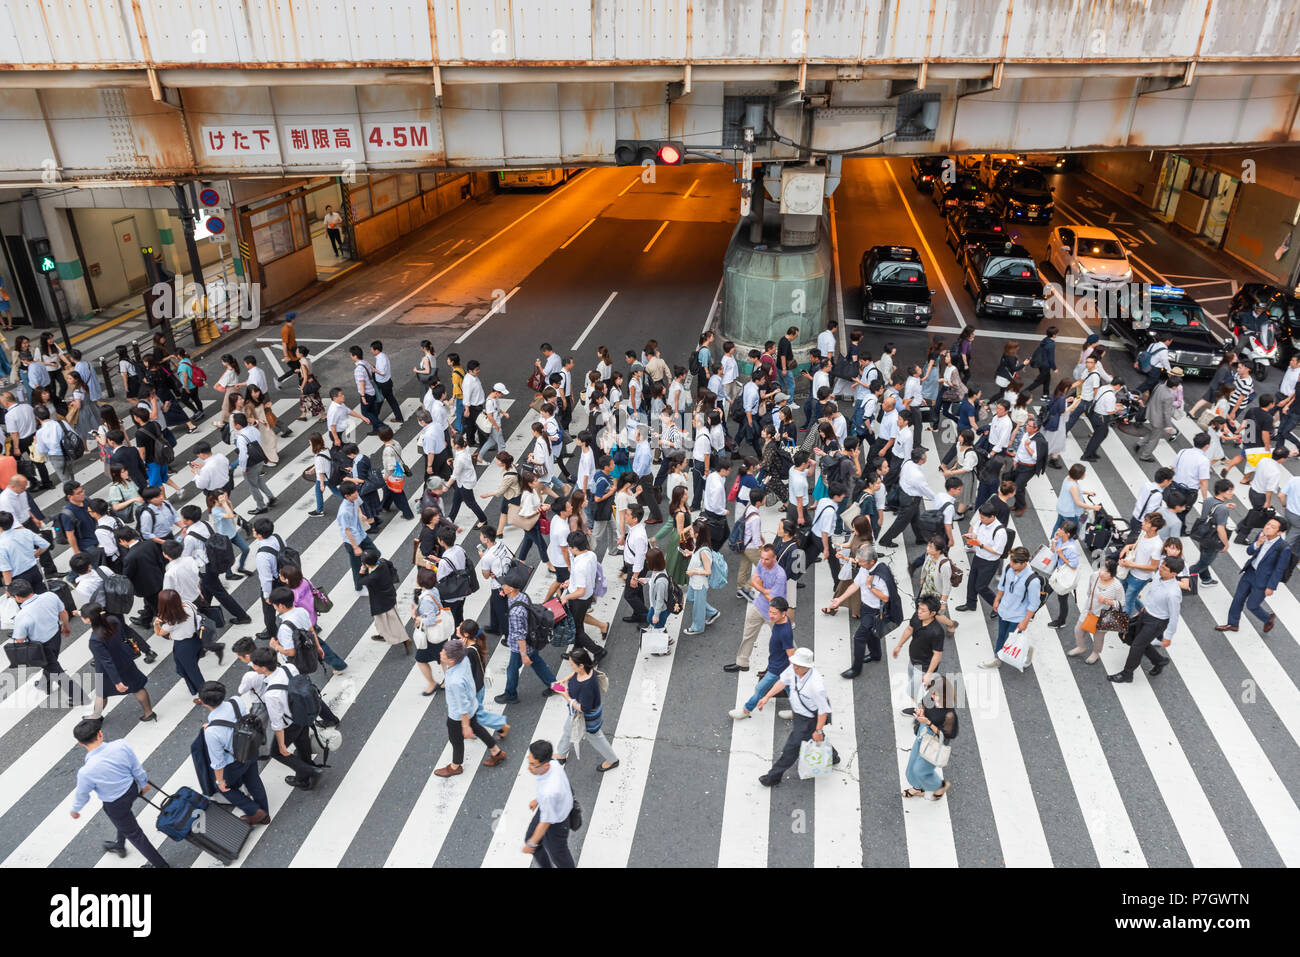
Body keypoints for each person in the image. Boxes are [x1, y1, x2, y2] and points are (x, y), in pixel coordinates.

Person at [69, 721, 169, 867]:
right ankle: (120, 845)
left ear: (79, 743)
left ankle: (161, 866)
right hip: (132, 789)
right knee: (123, 821)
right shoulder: (121, 745)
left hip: (114, 803)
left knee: (134, 834)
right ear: (100, 733)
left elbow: (83, 795)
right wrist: (143, 783)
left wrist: (75, 810)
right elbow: (136, 767)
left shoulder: (86, 772)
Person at [755, 646, 838, 787]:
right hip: (800, 715)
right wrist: (767, 697)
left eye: (798, 666)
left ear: (807, 667)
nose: (794, 668)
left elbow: (823, 710)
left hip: (809, 719)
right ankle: (833, 756)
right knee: (814, 737)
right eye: (794, 664)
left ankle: (774, 776)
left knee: (791, 748)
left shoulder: (816, 685)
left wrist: (817, 730)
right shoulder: (793, 669)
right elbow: (782, 682)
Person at [249, 647, 324, 791]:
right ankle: (304, 778)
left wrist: (282, 745)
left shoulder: (271, 694)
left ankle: (311, 771)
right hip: (303, 713)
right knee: (302, 743)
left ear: (263, 668)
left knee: (277, 753)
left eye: (255, 665)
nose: (253, 667)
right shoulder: (289, 667)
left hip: (290, 723)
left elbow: (277, 724)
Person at [198, 681, 271, 826]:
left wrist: (220, 781)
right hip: (250, 748)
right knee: (253, 779)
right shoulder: (235, 701)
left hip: (234, 762)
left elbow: (218, 762)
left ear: (204, 703)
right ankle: (264, 813)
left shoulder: (212, 732)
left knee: (226, 788)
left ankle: (256, 812)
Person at [435, 639, 507, 777]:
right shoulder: (463, 660)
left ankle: (455, 766)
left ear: (451, 659)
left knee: (456, 740)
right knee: (478, 728)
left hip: (458, 715)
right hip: (472, 704)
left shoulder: (456, 681)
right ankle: (496, 751)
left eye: (444, 652)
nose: (441, 653)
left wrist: (465, 725)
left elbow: (461, 706)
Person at [827, 546, 901, 678]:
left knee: (859, 637)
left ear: (871, 561)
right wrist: (839, 599)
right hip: (865, 607)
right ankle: (875, 654)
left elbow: (886, 597)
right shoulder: (865, 568)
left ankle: (856, 669)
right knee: (872, 633)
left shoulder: (881, 575)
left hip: (874, 611)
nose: (858, 563)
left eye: (861, 562)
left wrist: (870, 586)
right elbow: (855, 585)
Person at [1109, 557, 1183, 683]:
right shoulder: (1158, 578)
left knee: (1137, 646)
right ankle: (1159, 661)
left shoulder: (1173, 593)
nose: (1160, 569)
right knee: (1131, 637)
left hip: (1156, 622)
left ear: (1173, 574)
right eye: (1162, 566)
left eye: (1164, 569)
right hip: (1145, 613)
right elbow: (1152, 595)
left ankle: (1127, 674)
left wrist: (1168, 636)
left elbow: (1174, 616)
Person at [1214, 516, 1291, 634]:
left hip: (1263, 581)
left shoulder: (1283, 548)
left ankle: (1267, 618)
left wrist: (1271, 587)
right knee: (1238, 599)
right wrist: (1258, 543)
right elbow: (1249, 551)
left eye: (1272, 527)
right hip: (1250, 573)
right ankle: (1233, 624)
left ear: (1279, 532)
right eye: (1268, 524)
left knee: (1252, 605)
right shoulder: (1261, 535)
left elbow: (1279, 570)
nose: (1268, 527)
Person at [494, 567, 559, 704]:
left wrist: (523, 655)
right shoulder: (522, 596)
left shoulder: (516, 612)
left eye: (504, 585)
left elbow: (520, 635)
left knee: (512, 669)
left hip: (520, 646)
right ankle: (555, 686)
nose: (502, 585)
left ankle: (511, 694)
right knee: (537, 662)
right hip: (531, 640)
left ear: (511, 589)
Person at [81, 603, 155, 722]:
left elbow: (107, 661)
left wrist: (117, 682)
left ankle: (96, 716)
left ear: (88, 620)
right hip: (125, 658)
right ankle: (149, 712)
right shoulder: (113, 620)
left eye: (82, 616)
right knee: (137, 687)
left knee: (101, 693)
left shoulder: (95, 640)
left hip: (107, 670)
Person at [729, 596, 795, 719]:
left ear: (783, 613)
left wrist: (791, 672)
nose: (770, 615)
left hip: (778, 668)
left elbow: (791, 653)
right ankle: (797, 713)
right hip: (777, 663)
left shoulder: (785, 632)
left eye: (774, 613)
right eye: (770, 611)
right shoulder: (783, 620)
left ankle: (746, 710)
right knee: (790, 690)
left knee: (760, 689)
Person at [555, 647, 620, 772]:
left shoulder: (586, 686)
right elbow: (575, 673)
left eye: (572, 665)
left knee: (596, 737)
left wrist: (565, 695)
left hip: (586, 718)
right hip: (575, 714)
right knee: (568, 729)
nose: (571, 667)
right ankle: (562, 754)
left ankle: (612, 760)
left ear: (581, 665)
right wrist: (566, 679)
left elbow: (584, 708)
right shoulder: (588, 669)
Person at [727, 543, 788, 673]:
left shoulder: (780, 575)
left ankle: (792, 666)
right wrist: (764, 590)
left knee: (783, 642)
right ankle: (742, 662)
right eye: (762, 558)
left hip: (774, 613)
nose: (763, 561)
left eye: (767, 559)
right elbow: (754, 580)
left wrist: (760, 588)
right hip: (759, 606)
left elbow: (773, 599)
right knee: (748, 634)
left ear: (774, 558)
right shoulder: (761, 563)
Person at [982, 546, 1041, 668]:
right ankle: (997, 658)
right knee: (1001, 635)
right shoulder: (1009, 568)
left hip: (1018, 616)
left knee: (1012, 640)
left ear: (1024, 563)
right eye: (1011, 560)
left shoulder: (1033, 581)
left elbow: (1034, 604)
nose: (1011, 564)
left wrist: (1025, 621)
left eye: (1015, 562)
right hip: (1004, 610)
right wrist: (997, 600)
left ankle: (1026, 652)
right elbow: (1002, 585)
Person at [10, 576, 70, 696]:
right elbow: (63, 612)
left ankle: (77, 696)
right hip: (56, 635)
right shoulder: (50, 596)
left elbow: (20, 640)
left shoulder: (21, 616)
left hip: (41, 646)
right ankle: (44, 684)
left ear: (17, 597)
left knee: (57, 671)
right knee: (52, 664)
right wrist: (66, 626)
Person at [902, 674, 958, 802]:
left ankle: (939, 786)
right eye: (931, 693)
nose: (931, 696)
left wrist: (928, 723)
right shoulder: (930, 697)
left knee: (920, 770)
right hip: (922, 734)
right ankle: (917, 788)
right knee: (911, 769)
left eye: (935, 694)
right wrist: (921, 711)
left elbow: (947, 736)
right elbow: (923, 704)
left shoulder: (949, 714)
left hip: (934, 741)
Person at [523, 739, 575, 868]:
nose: (529, 768)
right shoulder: (553, 763)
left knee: (560, 856)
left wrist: (531, 844)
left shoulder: (549, 793)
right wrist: (538, 799)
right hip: (552, 807)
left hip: (557, 823)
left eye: (533, 765)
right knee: (531, 838)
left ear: (545, 765)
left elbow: (546, 822)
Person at [892, 596, 945, 709]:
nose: (919, 612)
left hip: (924, 667)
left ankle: (920, 711)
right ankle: (923, 708)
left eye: (923, 610)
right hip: (913, 660)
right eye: (919, 608)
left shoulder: (937, 632)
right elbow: (909, 629)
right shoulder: (917, 617)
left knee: (912, 692)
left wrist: (928, 673)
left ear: (933, 613)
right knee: (915, 687)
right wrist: (899, 645)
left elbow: (937, 654)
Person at [1069, 557, 1126, 664]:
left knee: (1098, 637)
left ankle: (1095, 653)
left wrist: (1107, 601)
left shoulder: (1117, 586)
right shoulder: (1094, 576)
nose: (1101, 572)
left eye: (1105, 571)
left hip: (1104, 616)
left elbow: (1121, 604)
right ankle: (1081, 647)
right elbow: (1089, 592)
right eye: (1101, 568)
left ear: (1112, 573)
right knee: (1078, 629)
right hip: (1089, 610)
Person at [154, 587, 204, 696]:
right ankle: (195, 688)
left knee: (192, 672)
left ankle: (204, 695)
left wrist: (156, 623)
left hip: (183, 646)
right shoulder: (189, 605)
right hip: (195, 640)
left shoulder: (172, 621)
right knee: (185, 668)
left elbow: (159, 633)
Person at [358, 549, 410, 652]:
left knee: (390, 622)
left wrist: (362, 570)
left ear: (367, 564)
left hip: (382, 602)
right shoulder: (382, 562)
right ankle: (384, 635)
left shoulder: (373, 577)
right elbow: (390, 564)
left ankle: (405, 639)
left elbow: (360, 581)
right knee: (385, 621)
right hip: (389, 595)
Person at [117, 525, 165, 626]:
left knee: (157, 609)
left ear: (122, 540)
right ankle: (145, 619)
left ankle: (164, 627)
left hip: (146, 588)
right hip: (159, 579)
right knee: (152, 603)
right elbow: (160, 561)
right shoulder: (150, 544)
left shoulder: (129, 557)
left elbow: (126, 577)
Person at [1118, 513, 1165, 614]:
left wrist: (1132, 565)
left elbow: (1153, 567)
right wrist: (1128, 547)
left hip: (1139, 578)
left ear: (1154, 527)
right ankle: (1143, 611)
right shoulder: (1143, 533)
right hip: (1129, 570)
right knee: (1127, 595)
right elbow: (1138, 546)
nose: (1142, 523)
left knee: (1128, 601)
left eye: (1146, 522)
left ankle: (1125, 625)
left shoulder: (1157, 545)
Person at [682, 518, 720, 636]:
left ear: (698, 534)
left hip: (700, 583)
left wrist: (693, 571)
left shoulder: (704, 551)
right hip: (695, 581)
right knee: (691, 598)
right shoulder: (698, 545)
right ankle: (712, 612)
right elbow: (697, 556)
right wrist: (690, 553)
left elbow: (708, 571)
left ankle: (697, 627)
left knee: (698, 607)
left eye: (692, 531)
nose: (690, 532)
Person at [337, 486, 377, 590]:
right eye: (354, 492)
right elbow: (346, 531)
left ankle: (367, 573)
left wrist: (360, 514)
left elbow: (358, 505)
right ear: (347, 496)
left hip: (361, 535)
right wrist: (355, 547)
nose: (356, 493)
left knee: (376, 554)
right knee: (356, 566)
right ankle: (359, 586)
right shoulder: (343, 512)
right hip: (352, 541)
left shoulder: (354, 499)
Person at [1044, 520, 1083, 628]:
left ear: (1068, 534)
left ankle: (1061, 621)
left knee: (1061, 598)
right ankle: (1032, 612)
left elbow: (1074, 565)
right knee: (1046, 591)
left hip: (1063, 577)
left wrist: (1061, 555)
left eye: (1061, 529)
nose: (1058, 530)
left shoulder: (1071, 548)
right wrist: (1055, 540)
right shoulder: (1061, 540)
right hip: (1056, 572)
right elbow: (1053, 551)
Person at [1054, 463, 1099, 534]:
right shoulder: (1073, 486)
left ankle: (1053, 539)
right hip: (1069, 512)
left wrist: (1088, 492)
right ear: (1079, 475)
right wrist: (1093, 507)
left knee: (1059, 525)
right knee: (1074, 530)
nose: (1085, 475)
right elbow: (1078, 502)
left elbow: (1074, 492)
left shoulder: (1068, 478)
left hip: (1062, 507)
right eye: (1084, 474)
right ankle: (1068, 542)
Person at [369, 340, 404, 423]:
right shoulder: (383, 356)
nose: (371, 351)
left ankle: (374, 419)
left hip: (383, 384)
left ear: (376, 350)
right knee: (391, 401)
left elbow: (382, 373)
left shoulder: (381, 359)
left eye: (372, 349)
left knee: (378, 402)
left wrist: (374, 370)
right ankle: (399, 417)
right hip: (387, 382)